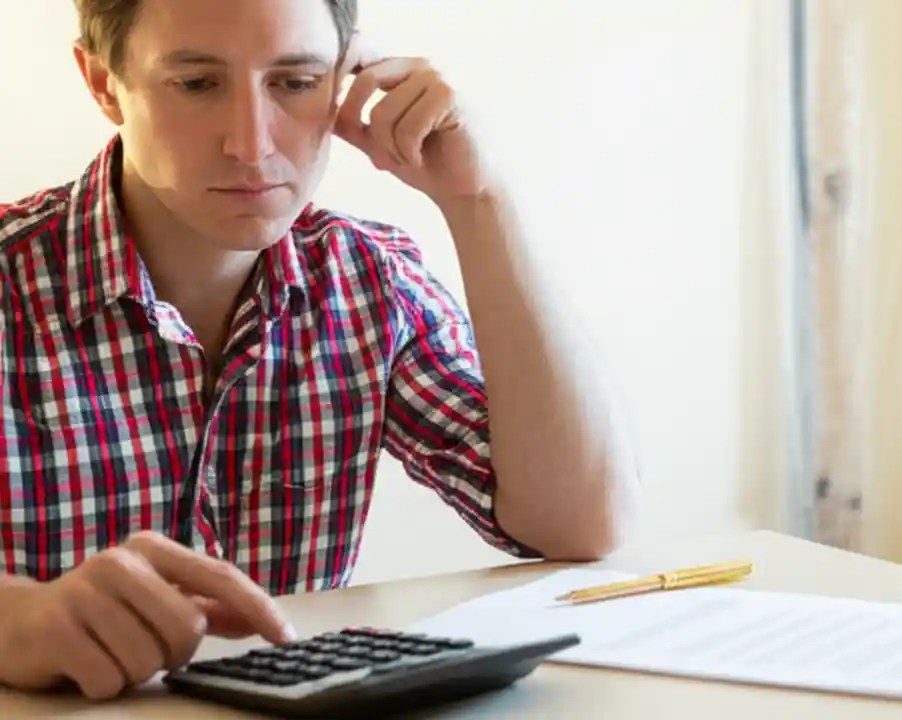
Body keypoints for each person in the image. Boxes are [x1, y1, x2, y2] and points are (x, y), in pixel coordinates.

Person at [0, 0, 639, 700]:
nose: (251, 143)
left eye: (295, 82)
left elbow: (580, 525)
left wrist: (478, 198)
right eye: (197, 84)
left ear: (345, 78)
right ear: (101, 82)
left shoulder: (365, 278)